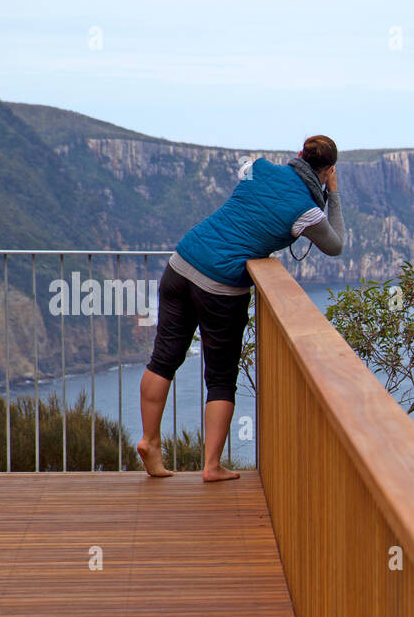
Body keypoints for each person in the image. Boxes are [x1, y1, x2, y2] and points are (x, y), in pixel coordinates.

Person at [137, 135, 346, 480]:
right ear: (328, 171)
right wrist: (332, 194)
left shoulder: (259, 168)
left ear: (298, 155)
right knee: (220, 378)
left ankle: (149, 440)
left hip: (181, 262)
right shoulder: (307, 212)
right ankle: (212, 466)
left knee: (163, 359)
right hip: (219, 286)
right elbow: (336, 245)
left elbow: (248, 192)